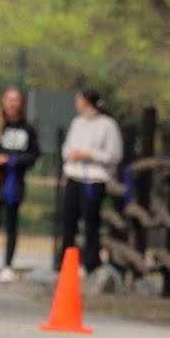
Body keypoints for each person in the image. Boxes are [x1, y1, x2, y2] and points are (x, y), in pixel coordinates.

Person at [0, 86, 41, 283]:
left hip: (14, 183)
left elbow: (33, 155)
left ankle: (8, 266)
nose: (12, 103)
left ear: (21, 103)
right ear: (3, 101)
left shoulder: (27, 129)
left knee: (11, 225)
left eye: (16, 99)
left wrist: (15, 160)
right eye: (9, 99)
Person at [58, 87, 123, 278]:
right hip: (74, 175)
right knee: (69, 221)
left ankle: (90, 262)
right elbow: (67, 148)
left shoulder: (107, 125)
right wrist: (72, 154)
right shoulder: (77, 122)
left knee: (90, 221)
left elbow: (114, 155)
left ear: (87, 102)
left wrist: (90, 154)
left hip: (94, 179)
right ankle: (66, 261)